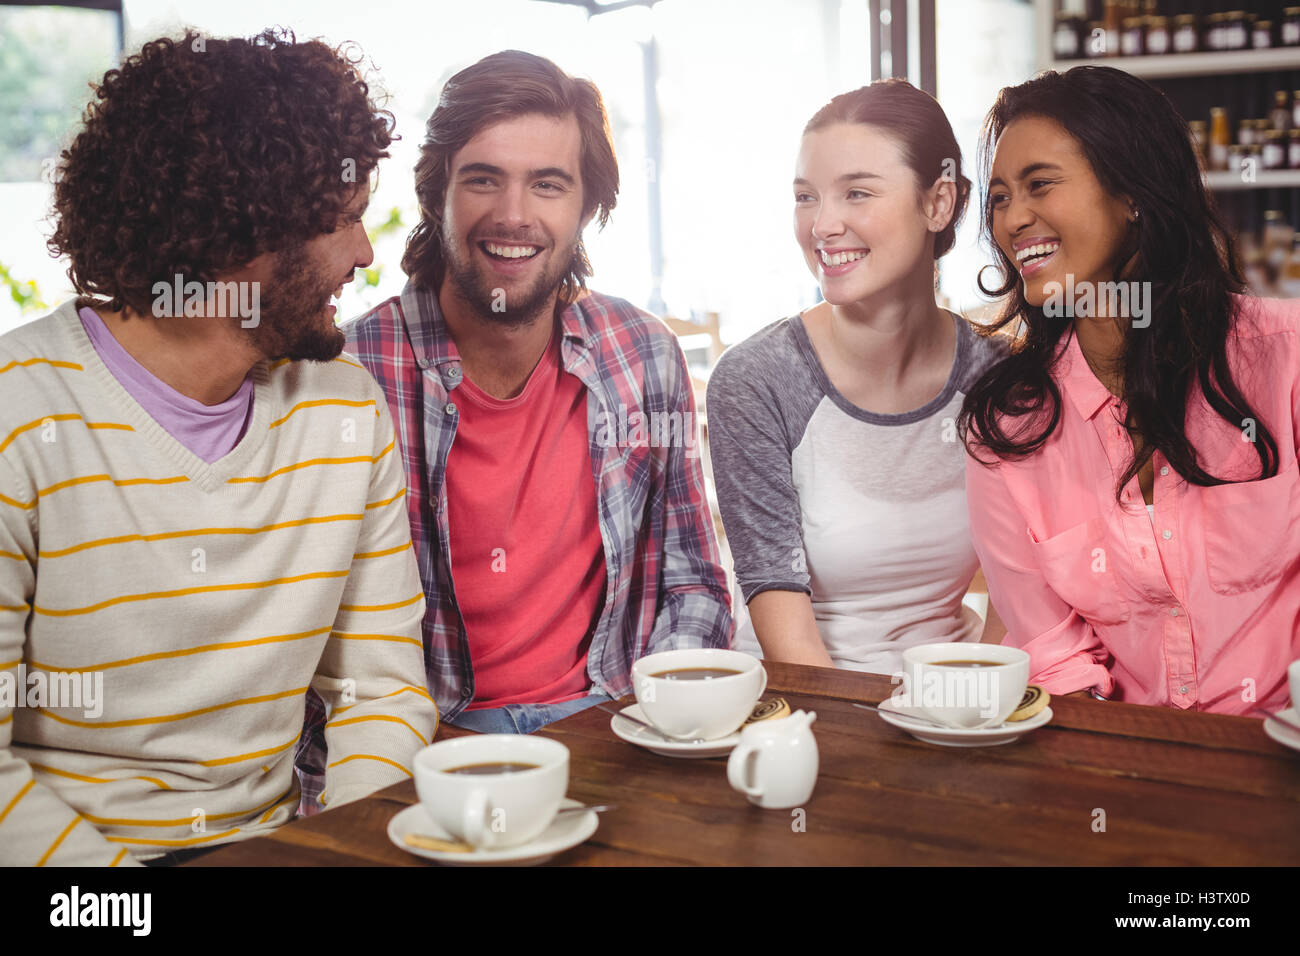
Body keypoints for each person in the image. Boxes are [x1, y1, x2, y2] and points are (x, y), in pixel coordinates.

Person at [0, 29, 436, 866]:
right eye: (345, 223)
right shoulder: (22, 419)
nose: (366, 253)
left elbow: (379, 691)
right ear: (243, 240)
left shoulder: (345, 412)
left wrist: (336, 856)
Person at [320, 50, 731, 741]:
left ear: (586, 206)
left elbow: (694, 585)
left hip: (615, 721)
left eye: (548, 185)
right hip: (425, 738)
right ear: (436, 193)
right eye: (483, 179)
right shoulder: (351, 373)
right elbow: (318, 631)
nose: (514, 215)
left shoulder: (644, 356)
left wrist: (659, 721)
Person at [960, 65, 1300, 714]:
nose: (1012, 219)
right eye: (1000, 197)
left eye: (1040, 185)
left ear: (1132, 195)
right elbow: (1053, 655)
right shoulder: (1006, 430)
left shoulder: (1285, 361)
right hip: (1122, 772)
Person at [707, 80, 1009, 676]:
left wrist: (972, 707)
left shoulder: (999, 377)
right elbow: (784, 628)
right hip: (804, 703)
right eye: (806, 197)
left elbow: (1020, 590)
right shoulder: (757, 380)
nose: (822, 225)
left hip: (953, 694)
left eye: (856, 193)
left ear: (938, 203)